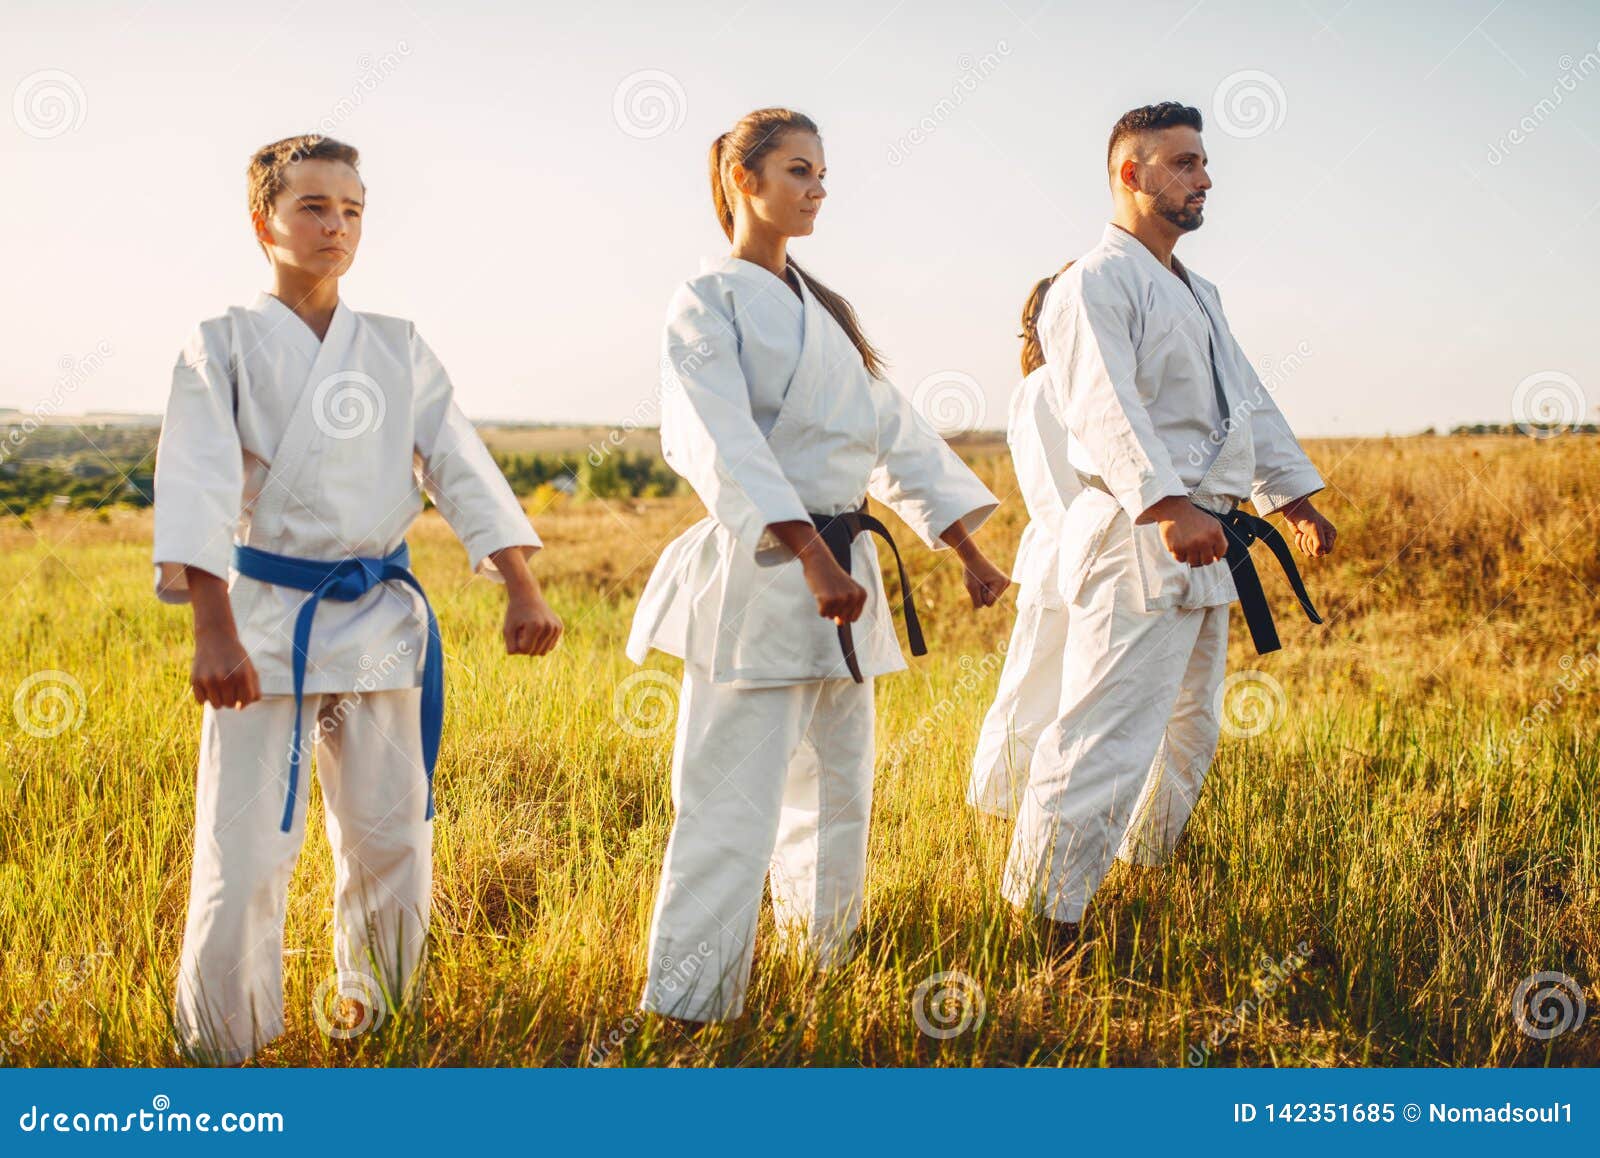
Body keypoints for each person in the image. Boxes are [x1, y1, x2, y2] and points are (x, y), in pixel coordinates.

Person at [153, 134, 563, 1064]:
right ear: (264, 221)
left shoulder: (395, 344)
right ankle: (226, 1048)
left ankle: (379, 1025)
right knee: (248, 854)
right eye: (312, 207)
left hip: (380, 621)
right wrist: (211, 630)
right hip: (264, 626)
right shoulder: (218, 343)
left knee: (392, 847)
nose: (336, 225)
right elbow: (198, 487)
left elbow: (460, 465)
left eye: (352, 209)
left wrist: (520, 584)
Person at [625, 107, 1011, 1022]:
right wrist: (807, 552)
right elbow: (719, 441)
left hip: (844, 576)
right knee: (729, 803)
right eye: (798, 170)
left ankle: (822, 966)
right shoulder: (705, 300)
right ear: (741, 181)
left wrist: (966, 547)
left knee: (837, 796)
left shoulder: (825, 312)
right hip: (765, 573)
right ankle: (687, 1005)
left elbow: (897, 438)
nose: (818, 188)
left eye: (821, 172)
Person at [1000, 102, 1337, 936]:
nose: (1205, 179)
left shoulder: (1198, 290)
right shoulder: (1091, 284)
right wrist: (1165, 502)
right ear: (1132, 173)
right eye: (1184, 163)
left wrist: (1288, 493)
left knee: (1189, 730)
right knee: (1103, 738)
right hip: (1140, 535)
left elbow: (1244, 399)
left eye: (1203, 162)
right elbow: (1104, 405)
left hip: (1206, 536)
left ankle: (1138, 878)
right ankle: (1045, 919)